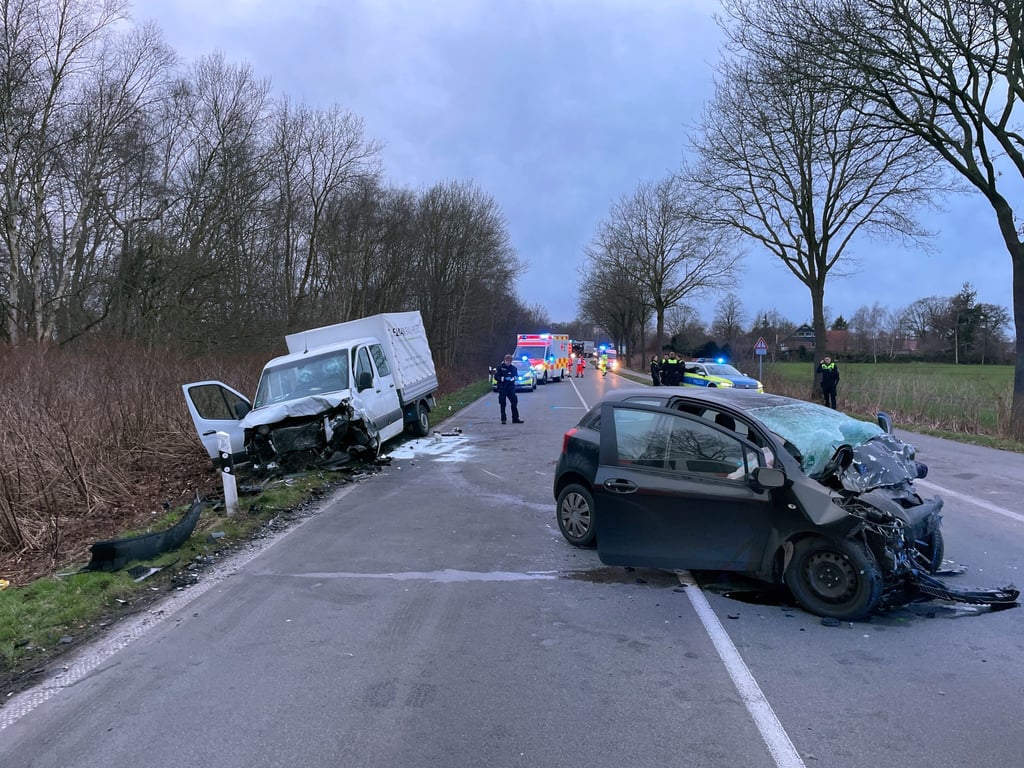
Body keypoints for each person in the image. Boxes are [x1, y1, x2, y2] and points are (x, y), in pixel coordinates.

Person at [495, 354, 524, 424]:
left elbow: (516, 376)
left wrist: (513, 378)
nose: (508, 363)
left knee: (514, 402)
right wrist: (503, 379)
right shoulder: (500, 368)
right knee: (502, 403)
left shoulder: (513, 368)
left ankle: (515, 418)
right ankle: (503, 419)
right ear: (505, 360)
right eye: (507, 361)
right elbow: (496, 377)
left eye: (510, 361)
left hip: (511, 387)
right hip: (502, 387)